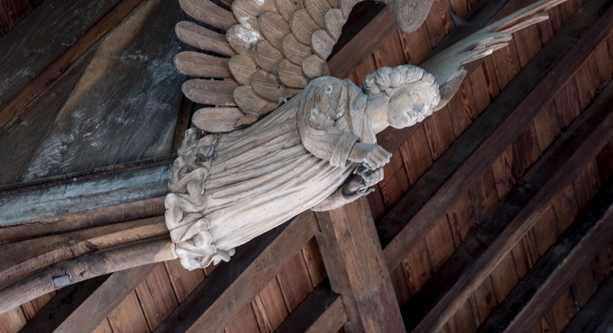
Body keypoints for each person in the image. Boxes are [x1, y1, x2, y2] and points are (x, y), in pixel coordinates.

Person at [164, 65, 439, 269]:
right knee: (184, 206)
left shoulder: (362, 155)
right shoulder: (337, 91)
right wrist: (357, 151)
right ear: (393, 87)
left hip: (252, 209)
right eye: (417, 99)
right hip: (236, 173)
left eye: (422, 115)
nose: (416, 114)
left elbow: (314, 201)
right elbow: (312, 132)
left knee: (193, 235)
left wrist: (350, 189)